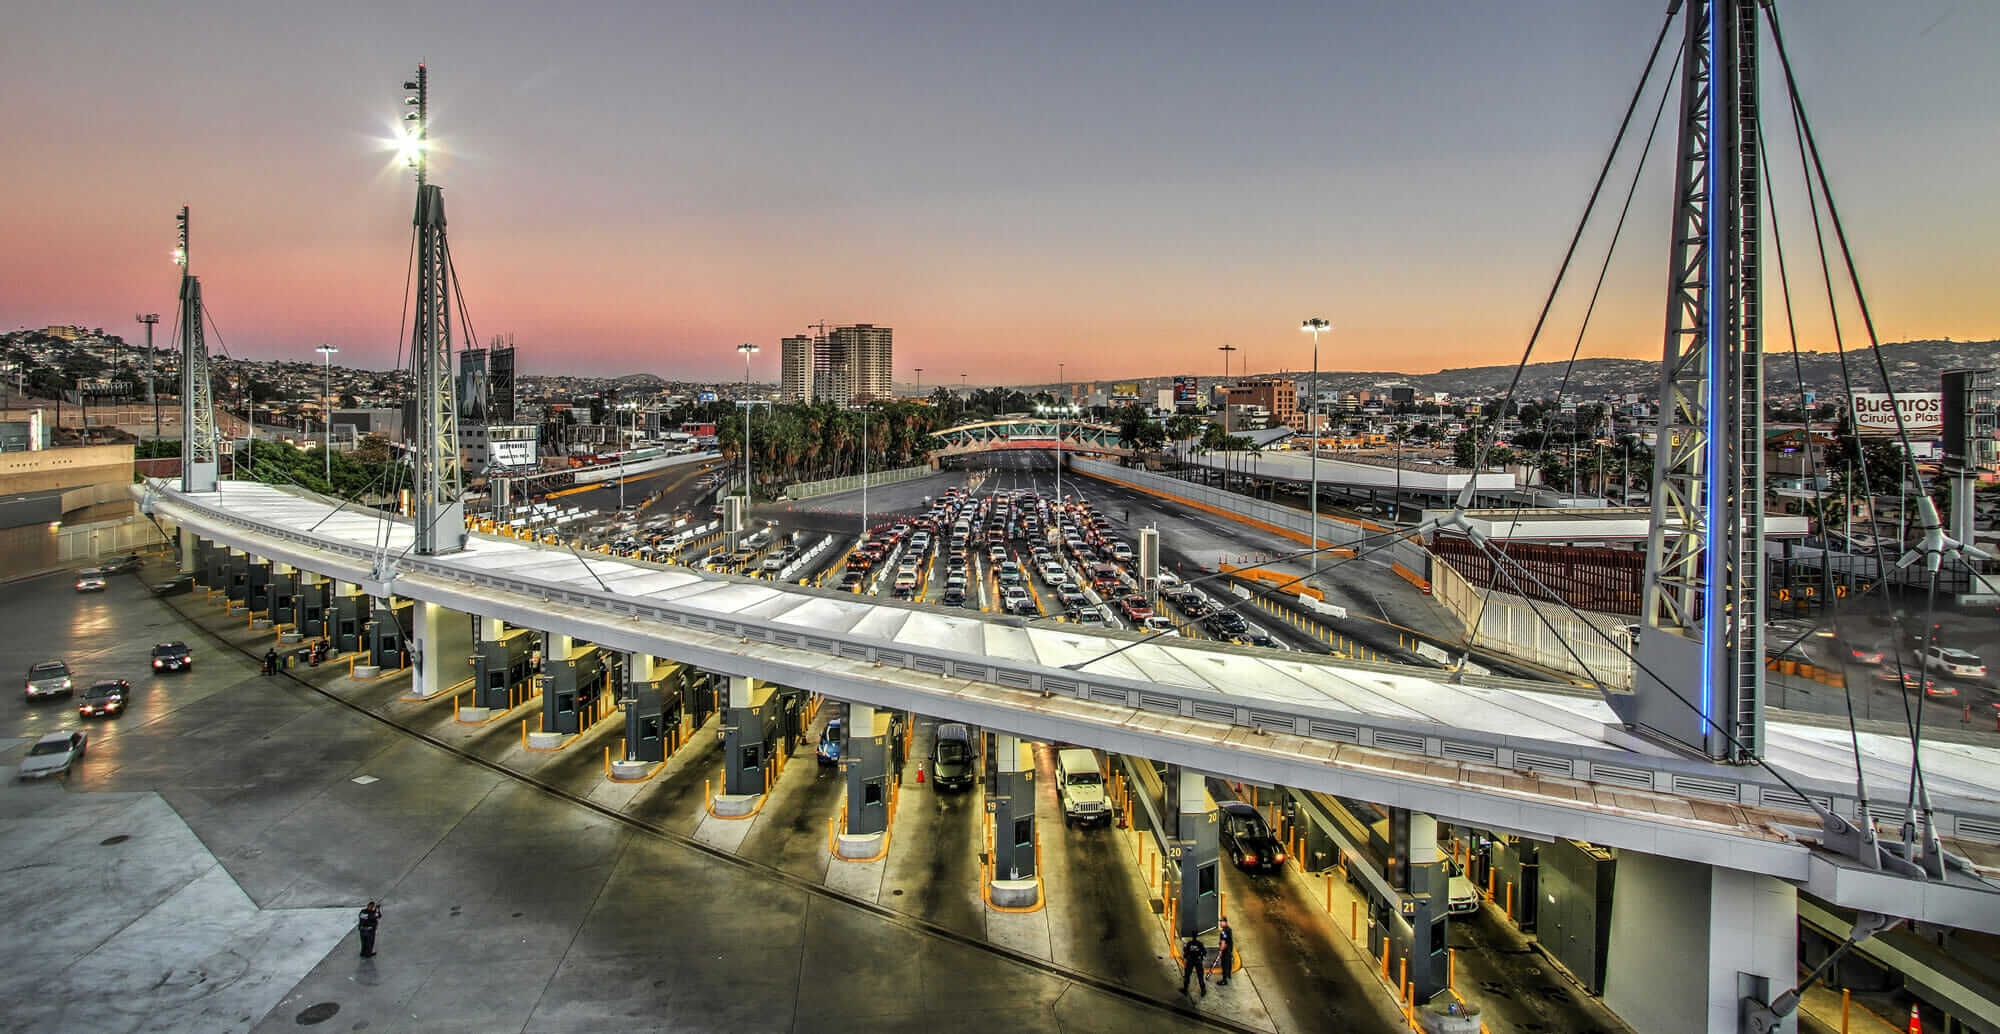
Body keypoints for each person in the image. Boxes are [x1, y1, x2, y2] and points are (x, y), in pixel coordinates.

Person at [1215, 918, 1234, 985]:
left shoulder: (1224, 931)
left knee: (1224, 964)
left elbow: (1223, 942)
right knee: (1229, 963)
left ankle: (1224, 980)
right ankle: (1229, 975)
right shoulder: (1229, 929)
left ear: (1225, 922)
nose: (1220, 923)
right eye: (1220, 922)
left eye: (1221, 922)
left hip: (1225, 951)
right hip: (1229, 950)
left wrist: (1220, 951)